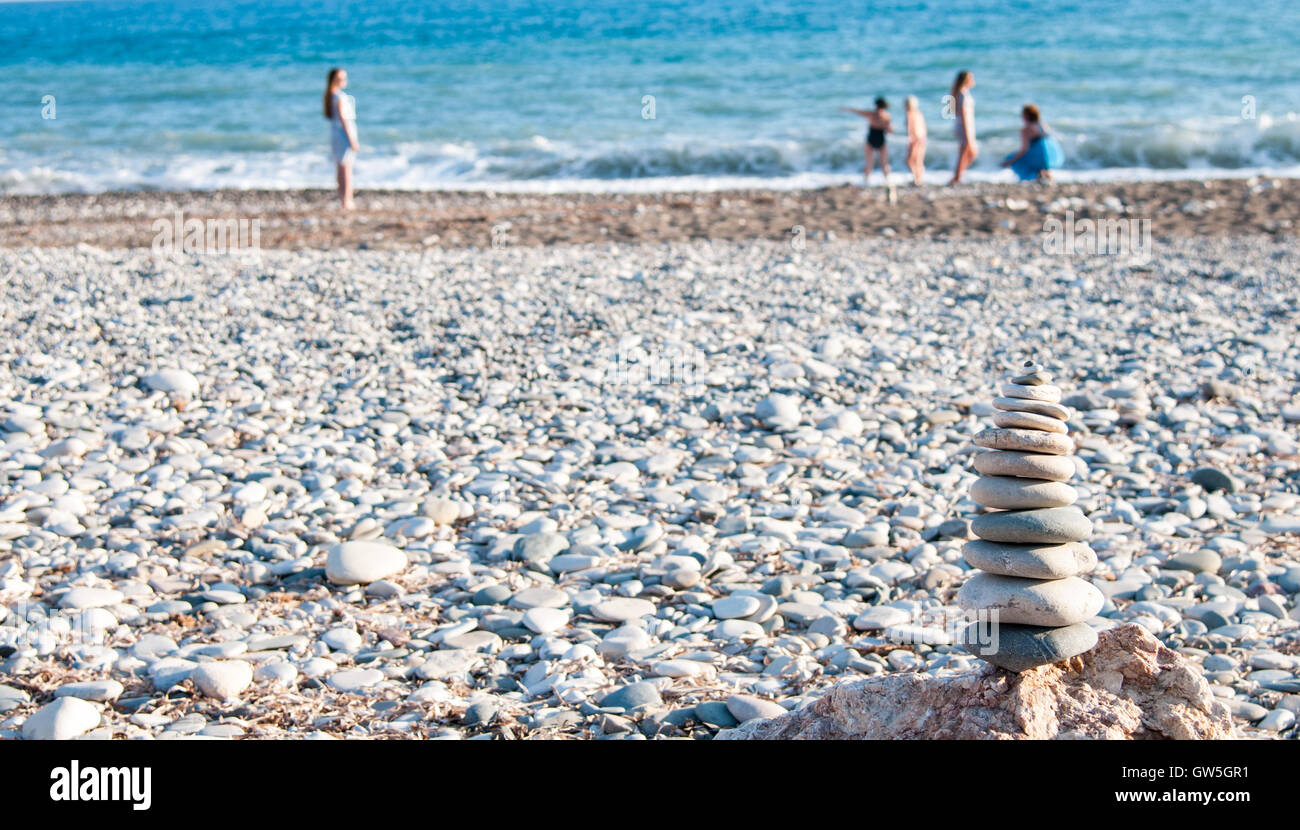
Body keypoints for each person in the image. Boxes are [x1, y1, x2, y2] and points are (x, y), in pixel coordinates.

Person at [324, 68, 359, 210]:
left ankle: (342, 199)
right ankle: (347, 199)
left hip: (336, 134)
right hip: (343, 134)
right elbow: (344, 120)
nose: (345, 81)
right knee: (346, 168)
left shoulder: (331, 96)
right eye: (342, 78)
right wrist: (352, 140)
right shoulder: (338, 97)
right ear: (335, 80)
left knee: (340, 167)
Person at [840, 97, 893, 191]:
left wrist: (847, 109)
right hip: (881, 139)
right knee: (884, 163)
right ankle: (887, 181)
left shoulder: (872, 114)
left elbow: (858, 111)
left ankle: (866, 182)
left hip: (871, 139)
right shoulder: (887, 116)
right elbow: (889, 130)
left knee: (869, 163)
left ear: (876, 105)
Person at [1002, 104, 1064, 183]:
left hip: (1038, 155)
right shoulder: (1043, 125)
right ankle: (1045, 175)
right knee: (1043, 166)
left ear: (1026, 116)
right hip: (1051, 152)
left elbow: (1024, 150)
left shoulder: (1026, 130)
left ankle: (1037, 176)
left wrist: (1010, 161)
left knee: (1011, 158)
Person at [948, 70, 977, 185]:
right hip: (965, 126)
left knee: (965, 152)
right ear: (966, 80)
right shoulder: (962, 95)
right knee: (969, 152)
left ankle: (957, 176)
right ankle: (957, 177)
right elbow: (964, 114)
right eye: (971, 78)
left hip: (961, 126)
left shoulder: (959, 94)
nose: (973, 81)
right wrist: (968, 133)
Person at [904, 95, 927, 186]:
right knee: (918, 160)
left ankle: (916, 179)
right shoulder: (918, 113)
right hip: (922, 138)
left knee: (910, 160)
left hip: (915, 138)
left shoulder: (909, 113)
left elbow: (910, 127)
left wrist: (910, 138)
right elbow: (923, 127)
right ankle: (919, 179)